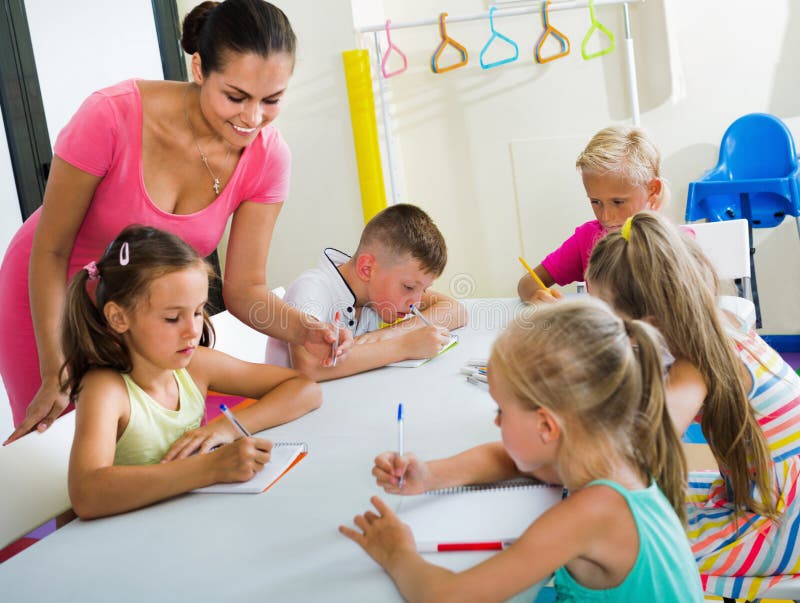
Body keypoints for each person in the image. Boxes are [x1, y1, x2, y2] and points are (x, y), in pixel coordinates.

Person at [0, 0, 349, 445]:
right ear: (199, 68)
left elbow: (244, 290)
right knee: (56, 449)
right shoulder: (111, 115)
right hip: (50, 291)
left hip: (147, 314)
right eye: (236, 97)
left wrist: (305, 330)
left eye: (272, 100)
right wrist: (55, 366)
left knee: (149, 448)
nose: (253, 118)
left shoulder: (268, 158)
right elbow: (51, 250)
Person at [339, 298, 703, 602]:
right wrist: (430, 475)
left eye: (501, 410)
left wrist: (396, 552)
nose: (497, 423)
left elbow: (449, 597)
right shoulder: (608, 453)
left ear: (547, 426)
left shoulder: (589, 513)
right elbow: (507, 458)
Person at [586, 211, 800, 600]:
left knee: (622, 551)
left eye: (607, 316)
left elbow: (649, 436)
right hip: (758, 494)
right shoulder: (716, 323)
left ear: (648, 322)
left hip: (782, 522)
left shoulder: (697, 364)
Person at [64, 225, 321, 519]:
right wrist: (209, 468)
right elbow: (87, 495)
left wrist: (225, 428)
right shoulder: (106, 390)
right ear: (119, 317)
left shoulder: (196, 365)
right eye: (173, 318)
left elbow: (305, 388)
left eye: (198, 312)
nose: (192, 330)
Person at [266, 204, 468, 380]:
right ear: (367, 269)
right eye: (408, 287)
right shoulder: (312, 289)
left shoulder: (377, 290)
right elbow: (309, 366)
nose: (415, 302)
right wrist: (403, 346)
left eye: (423, 289)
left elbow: (456, 310)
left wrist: (387, 335)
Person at [517, 125, 668, 301]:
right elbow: (526, 284)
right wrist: (538, 295)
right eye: (595, 202)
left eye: (618, 202)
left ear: (652, 189)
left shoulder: (674, 242)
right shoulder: (587, 238)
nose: (605, 216)